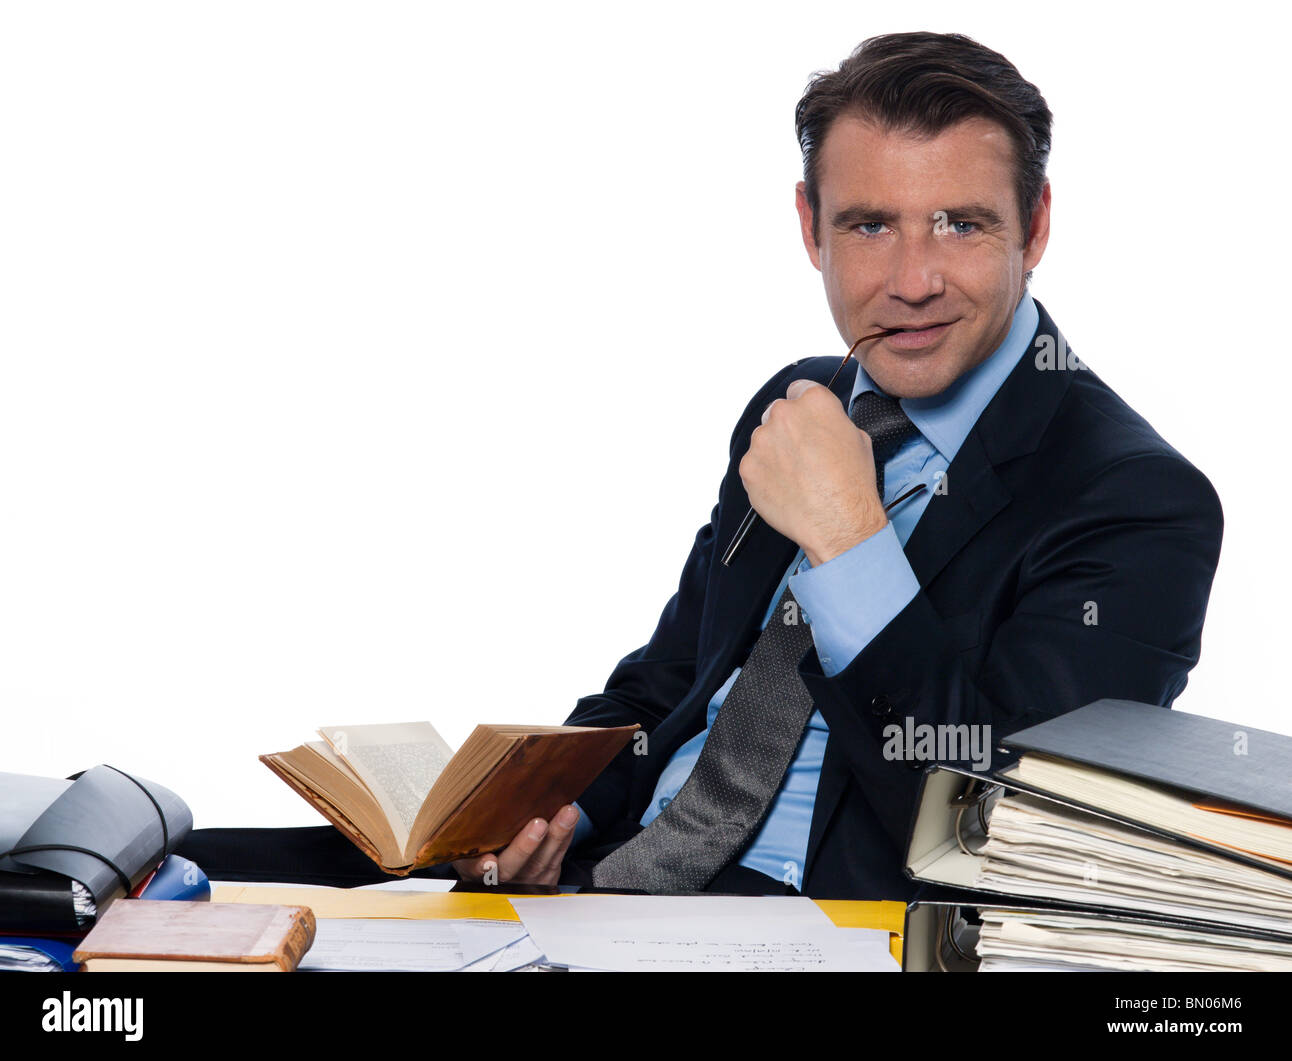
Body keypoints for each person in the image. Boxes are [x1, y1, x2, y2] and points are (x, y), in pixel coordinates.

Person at [451, 31, 1223, 899]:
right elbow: (671, 681)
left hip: (824, 930)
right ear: (810, 227)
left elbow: (1002, 840)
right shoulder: (797, 406)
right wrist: (545, 815)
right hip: (606, 891)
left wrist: (847, 538)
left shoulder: (1139, 500)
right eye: (869, 225)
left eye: (961, 225)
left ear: (1035, 225)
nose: (913, 280)